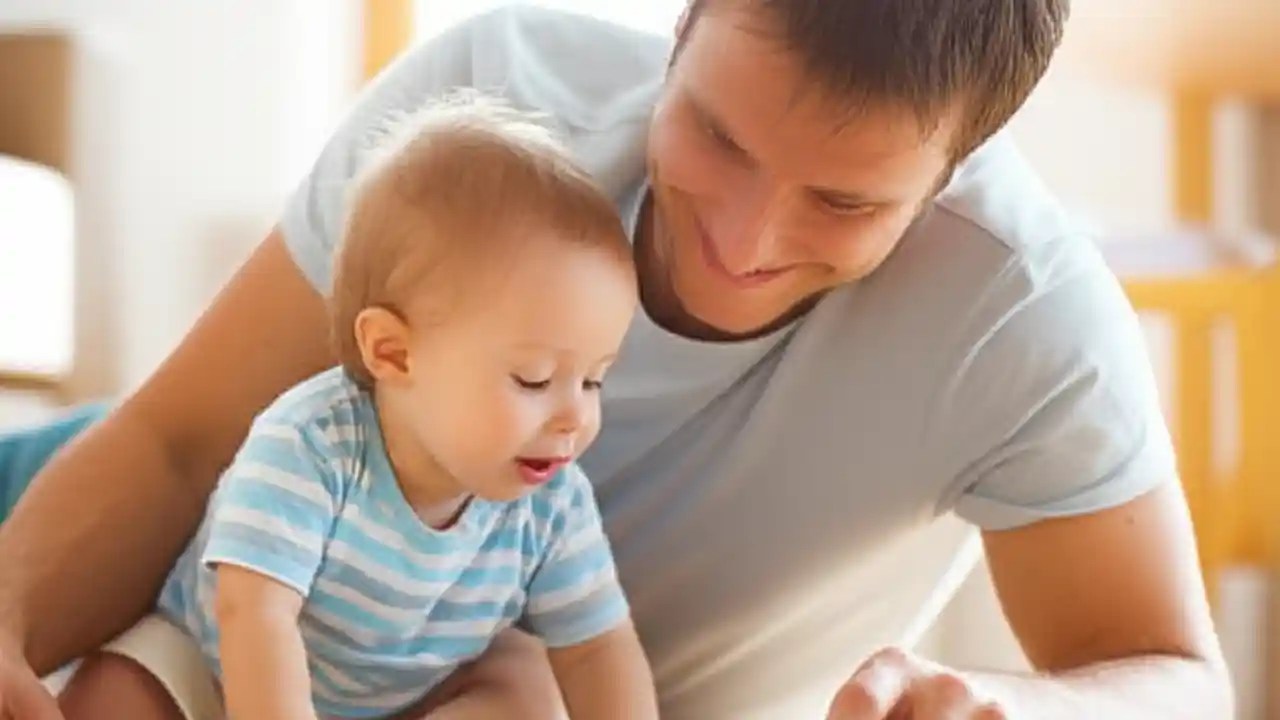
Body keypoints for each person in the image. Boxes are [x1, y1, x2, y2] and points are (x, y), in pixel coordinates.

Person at [0, 1, 1232, 718]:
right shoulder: (492, 98)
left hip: (475, 672)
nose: (744, 244)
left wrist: (1019, 707)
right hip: (183, 535)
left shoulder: (1022, 313)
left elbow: (1180, 680)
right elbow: (174, 443)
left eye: (845, 204)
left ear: (952, 168)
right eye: (713, 132)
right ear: (682, 28)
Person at [50, 95, 656, 720]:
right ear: (393, 353)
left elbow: (597, 648)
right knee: (111, 695)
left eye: (593, 381)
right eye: (533, 379)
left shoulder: (552, 502)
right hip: (213, 667)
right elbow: (254, 613)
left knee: (528, 686)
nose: (574, 418)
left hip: (396, 697)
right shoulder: (309, 447)